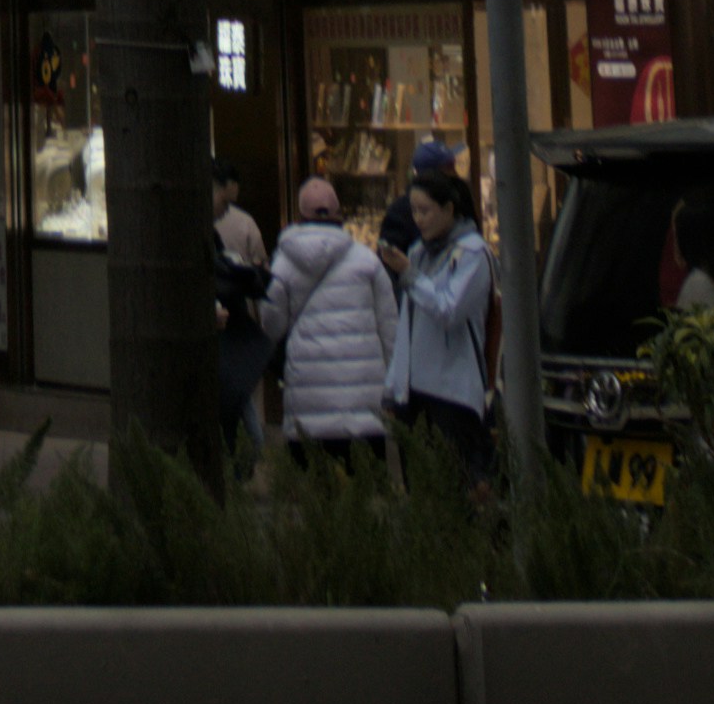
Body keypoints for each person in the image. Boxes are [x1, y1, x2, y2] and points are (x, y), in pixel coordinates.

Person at [258, 171, 398, 460]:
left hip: (308, 407)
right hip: (363, 407)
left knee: (315, 485)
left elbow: (271, 326)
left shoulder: (282, 265)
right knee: (366, 484)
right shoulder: (367, 261)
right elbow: (389, 329)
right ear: (337, 215)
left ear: (300, 216)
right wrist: (392, 390)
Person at [387, 142, 499, 486]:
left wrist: (410, 276)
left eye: (425, 211)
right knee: (420, 490)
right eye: (414, 211)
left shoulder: (473, 253)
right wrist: (394, 384)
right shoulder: (418, 252)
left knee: (453, 490)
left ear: (449, 209)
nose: (418, 219)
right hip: (414, 391)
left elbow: (449, 308)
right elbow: (408, 325)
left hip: (453, 393)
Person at [211, 176, 270, 450]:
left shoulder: (214, 233)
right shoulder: (243, 224)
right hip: (229, 338)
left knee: (244, 428)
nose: (227, 211)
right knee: (247, 431)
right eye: (225, 202)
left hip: (230, 336)